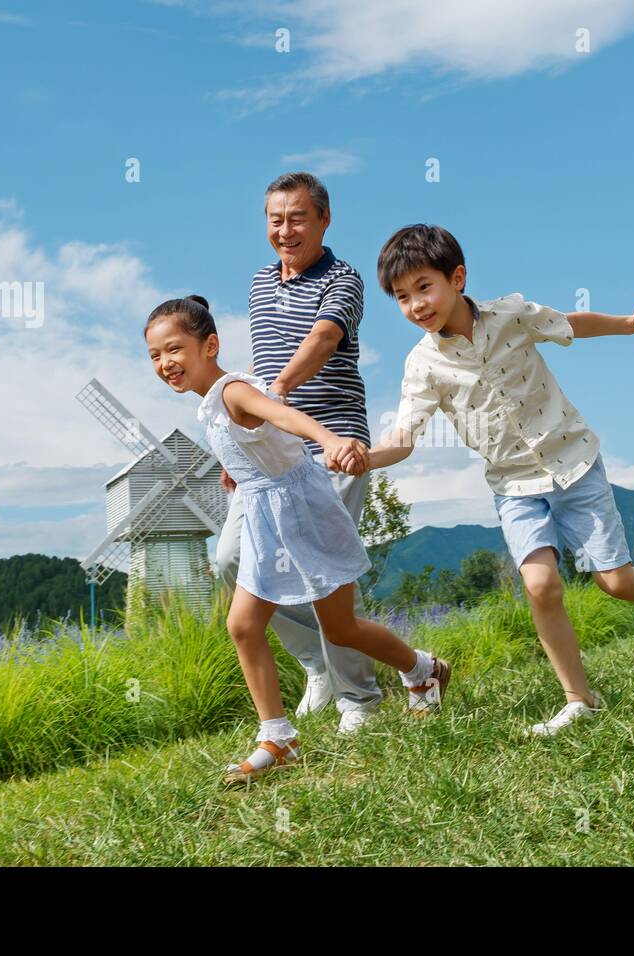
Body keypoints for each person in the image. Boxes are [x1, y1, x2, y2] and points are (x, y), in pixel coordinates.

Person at [364, 224, 634, 737]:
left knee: (613, 580)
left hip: (574, 461)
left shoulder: (511, 314)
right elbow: (404, 437)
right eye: (401, 297)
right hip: (513, 485)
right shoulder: (423, 365)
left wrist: (632, 324)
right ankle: (580, 700)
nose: (415, 304)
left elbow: (571, 324)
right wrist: (364, 459)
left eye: (424, 286)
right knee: (541, 585)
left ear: (457, 278)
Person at [146, 294, 451, 785]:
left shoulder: (232, 390)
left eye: (174, 349)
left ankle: (422, 668)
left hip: (304, 515)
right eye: (156, 356)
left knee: (342, 629)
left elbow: (283, 414)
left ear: (210, 346)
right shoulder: (210, 405)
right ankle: (278, 736)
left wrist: (329, 440)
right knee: (243, 626)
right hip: (267, 519)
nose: (166, 364)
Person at [213, 171, 385, 734]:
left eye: (298, 218)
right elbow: (259, 367)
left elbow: (324, 339)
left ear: (324, 220)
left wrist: (279, 393)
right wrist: (242, 443)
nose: (285, 230)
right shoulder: (261, 282)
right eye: (275, 219)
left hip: (333, 440)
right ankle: (318, 665)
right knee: (233, 559)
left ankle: (359, 698)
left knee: (325, 577)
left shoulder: (344, 278)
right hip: (268, 450)